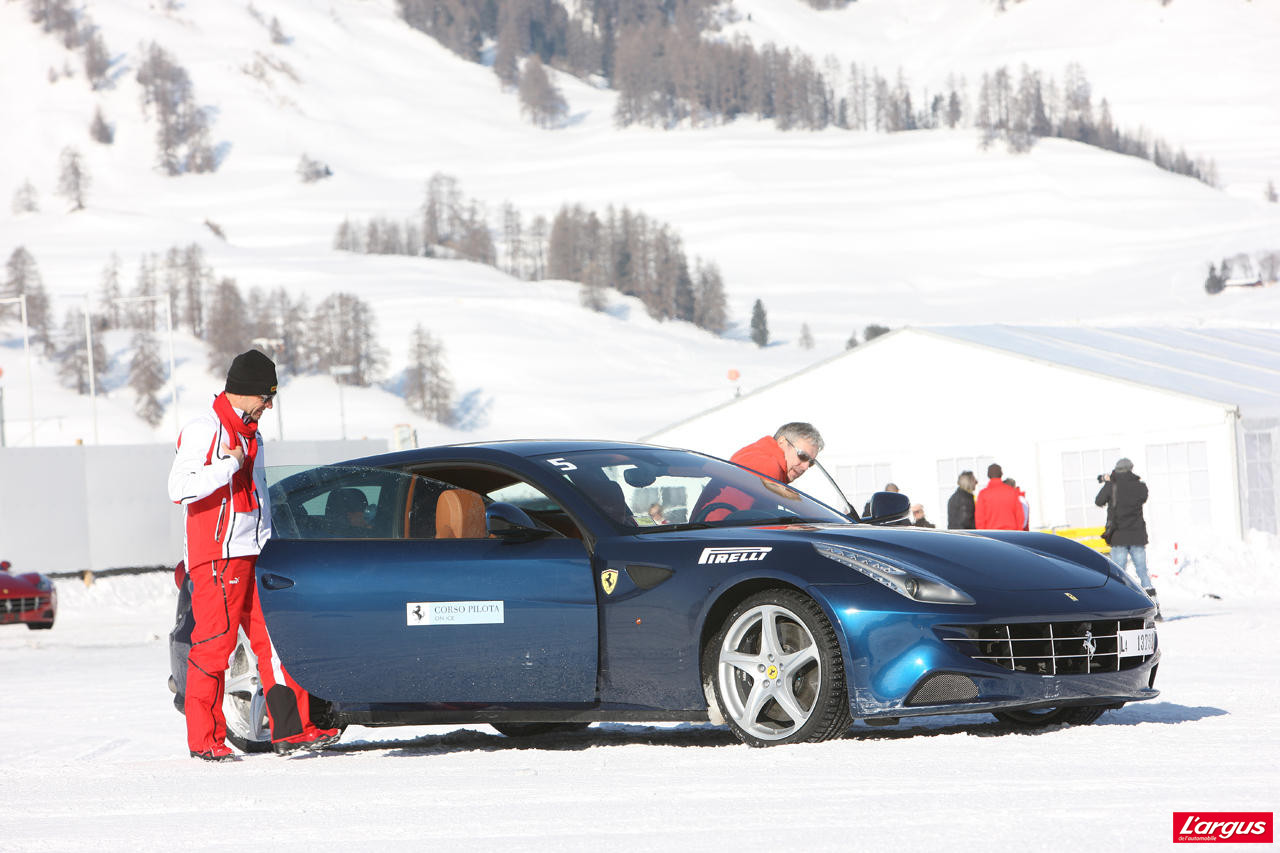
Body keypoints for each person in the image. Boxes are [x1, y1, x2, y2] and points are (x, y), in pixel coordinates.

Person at [168, 350, 339, 761]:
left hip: (254, 551)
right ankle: (204, 741)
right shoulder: (204, 429)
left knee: (277, 640)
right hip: (218, 555)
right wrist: (229, 465)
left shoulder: (252, 434)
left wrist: (271, 540)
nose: (270, 405)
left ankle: (292, 730)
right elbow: (180, 488)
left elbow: (257, 497)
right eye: (267, 396)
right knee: (215, 644)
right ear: (246, 392)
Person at [692, 423, 823, 521]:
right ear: (782, 442)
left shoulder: (754, 454)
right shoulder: (767, 466)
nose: (806, 467)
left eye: (811, 462)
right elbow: (766, 525)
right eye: (802, 456)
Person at [1096, 457, 1160, 620]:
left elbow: (1099, 501)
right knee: (1142, 572)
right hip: (1137, 534)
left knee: (1118, 573)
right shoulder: (1140, 486)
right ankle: (1155, 608)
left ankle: (1119, 608)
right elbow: (1143, 498)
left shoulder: (1112, 485)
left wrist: (1109, 481)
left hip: (1118, 536)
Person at [975, 463, 1025, 530]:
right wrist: (1019, 531)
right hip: (1012, 533)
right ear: (1001, 474)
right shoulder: (1012, 492)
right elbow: (1020, 516)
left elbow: (979, 519)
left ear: (988, 475)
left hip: (992, 535)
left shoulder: (983, 494)